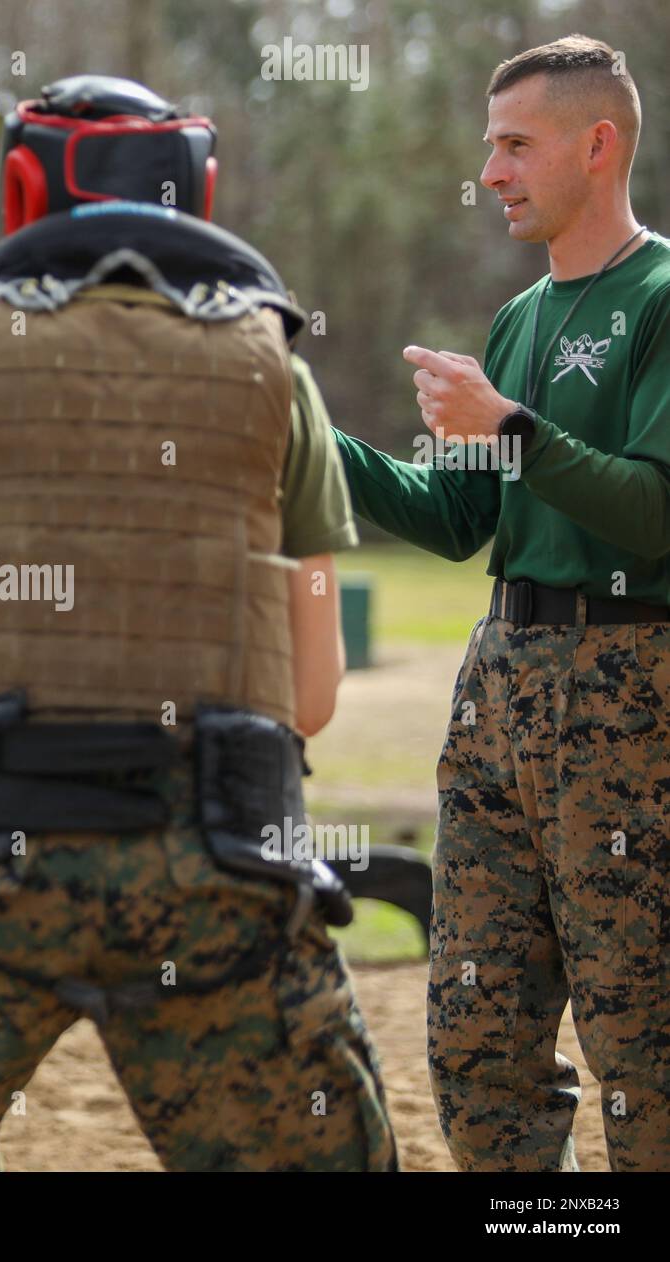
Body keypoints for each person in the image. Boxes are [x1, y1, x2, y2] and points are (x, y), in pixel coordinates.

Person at [0, 75, 396, 1171]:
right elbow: (312, 695)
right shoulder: (278, 377)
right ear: (194, 191)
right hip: (216, 864)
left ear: (22, 189)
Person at [332, 36, 670, 1172]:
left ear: (598, 143)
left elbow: (656, 511)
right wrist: (302, 431)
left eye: (514, 145)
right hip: (500, 689)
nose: (490, 172)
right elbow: (457, 519)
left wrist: (511, 429)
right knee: (477, 1045)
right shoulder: (519, 318)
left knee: (644, 1046)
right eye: (488, 147)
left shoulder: (663, 298)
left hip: (630, 700)